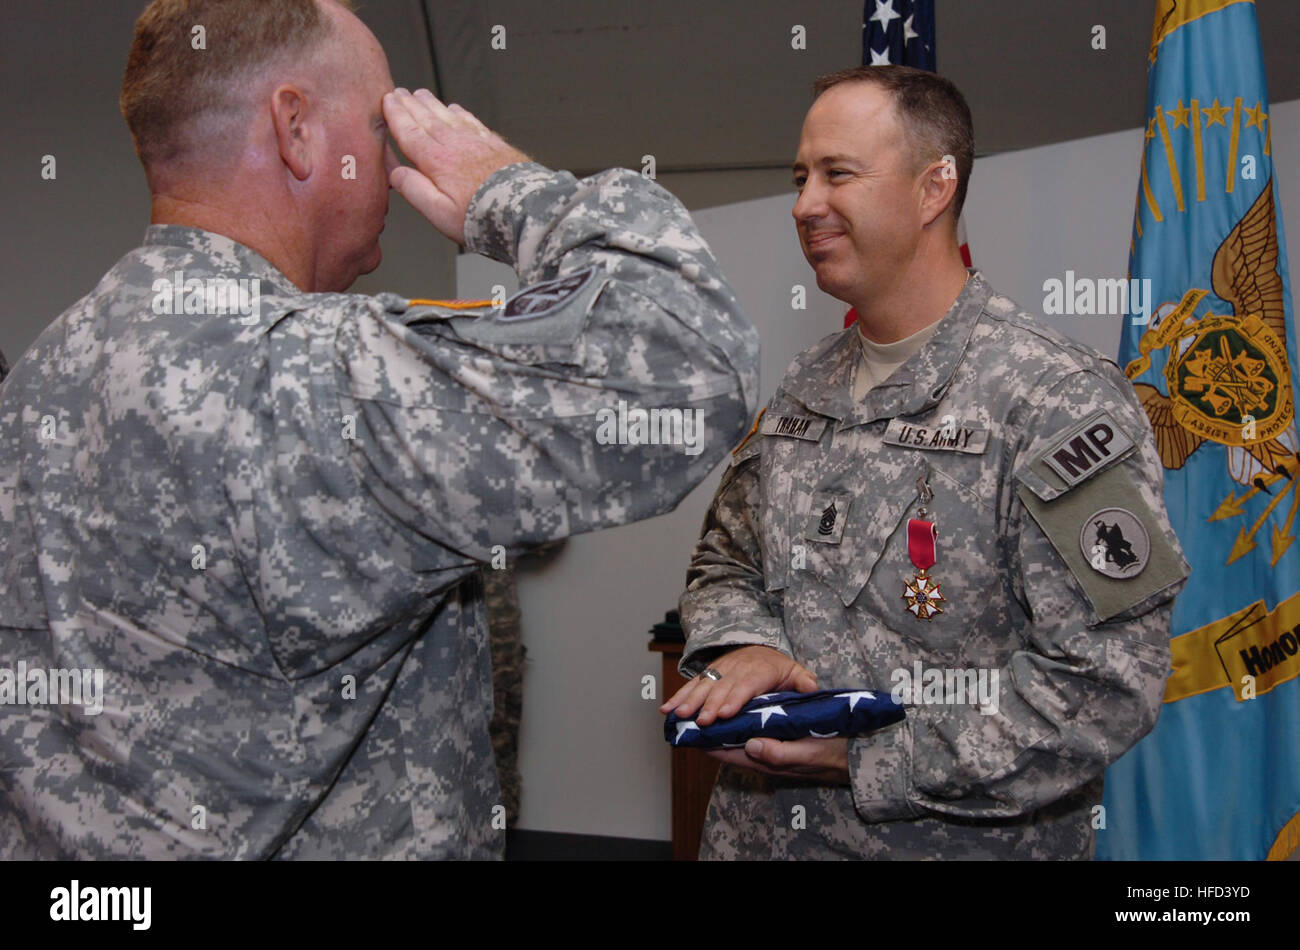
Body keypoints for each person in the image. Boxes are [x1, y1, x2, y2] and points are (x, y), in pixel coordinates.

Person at [0, 0, 757, 859]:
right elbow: (690, 358)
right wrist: (509, 190)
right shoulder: (309, 375)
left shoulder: (42, 372)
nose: (400, 157)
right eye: (380, 123)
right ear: (295, 129)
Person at [662, 65, 1189, 860]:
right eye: (801, 177)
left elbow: (1106, 682)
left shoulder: (1053, 400)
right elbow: (723, 561)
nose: (805, 204)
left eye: (839, 173)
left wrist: (864, 757)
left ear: (934, 187)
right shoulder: (806, 386)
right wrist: (747, 646)